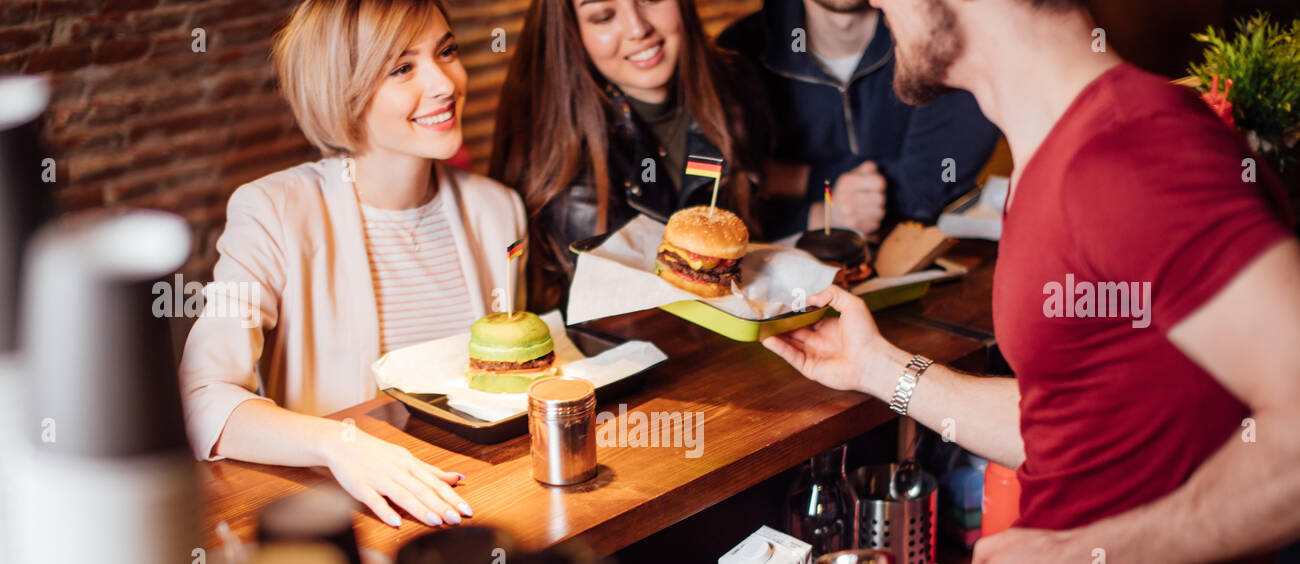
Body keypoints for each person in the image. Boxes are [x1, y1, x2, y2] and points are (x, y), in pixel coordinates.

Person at [764, 0, 1299, 564]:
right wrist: (878, 369)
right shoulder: (1055, 153)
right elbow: (1080, 424)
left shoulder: (1132, 155)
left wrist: (1092, 563)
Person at [180, 0, 528, 529]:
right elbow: (201, 397)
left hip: (487, 505)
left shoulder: (498, 209)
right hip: (353, 523)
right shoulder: (273, 211)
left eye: (447, 51)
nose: (443, 83)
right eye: (402, 68)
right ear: (342, 91)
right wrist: (339, 443)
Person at [490, 0, 768, 312]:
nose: (638, 29)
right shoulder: (553, 146)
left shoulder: (735, 81)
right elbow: (609, 301)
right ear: (570, 32)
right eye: (603, 16)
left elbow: (758, 193)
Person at [718, 0, 999, 240]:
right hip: (780, 282)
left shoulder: (943, 34)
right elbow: (726, 200)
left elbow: (929, 185)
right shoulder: (734, 53)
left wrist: (791, 178)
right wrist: (821, 213)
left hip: (934, 271)